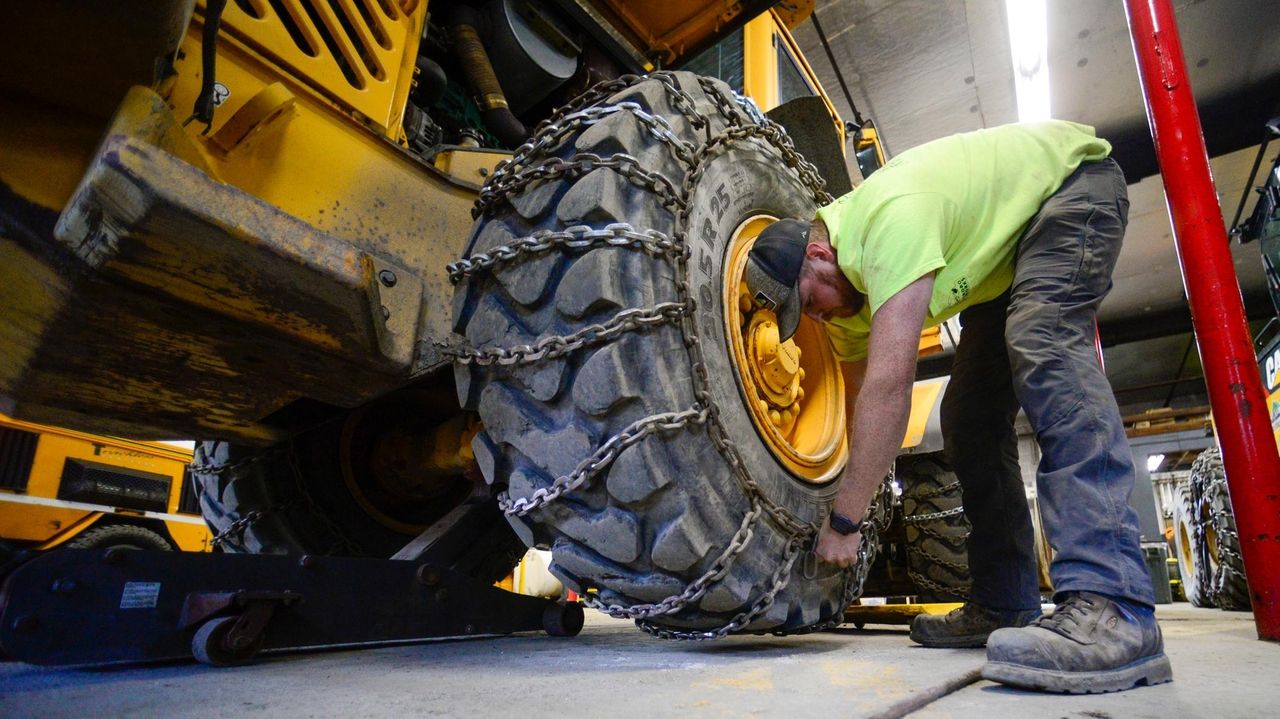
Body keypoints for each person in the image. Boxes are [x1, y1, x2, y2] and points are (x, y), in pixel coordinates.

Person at [743, 120, 1172, 694]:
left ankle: (1115, 606)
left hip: (1068, 192)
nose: (816, 317)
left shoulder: (886, 220)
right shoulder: (845, 305)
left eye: (810, 302)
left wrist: (847, 523)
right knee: (966, 416)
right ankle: (1004, 602)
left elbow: (891, 387)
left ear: (820, 254)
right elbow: (856, 414)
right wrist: (835, 501)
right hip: (1003, 267)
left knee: (1044, 346)